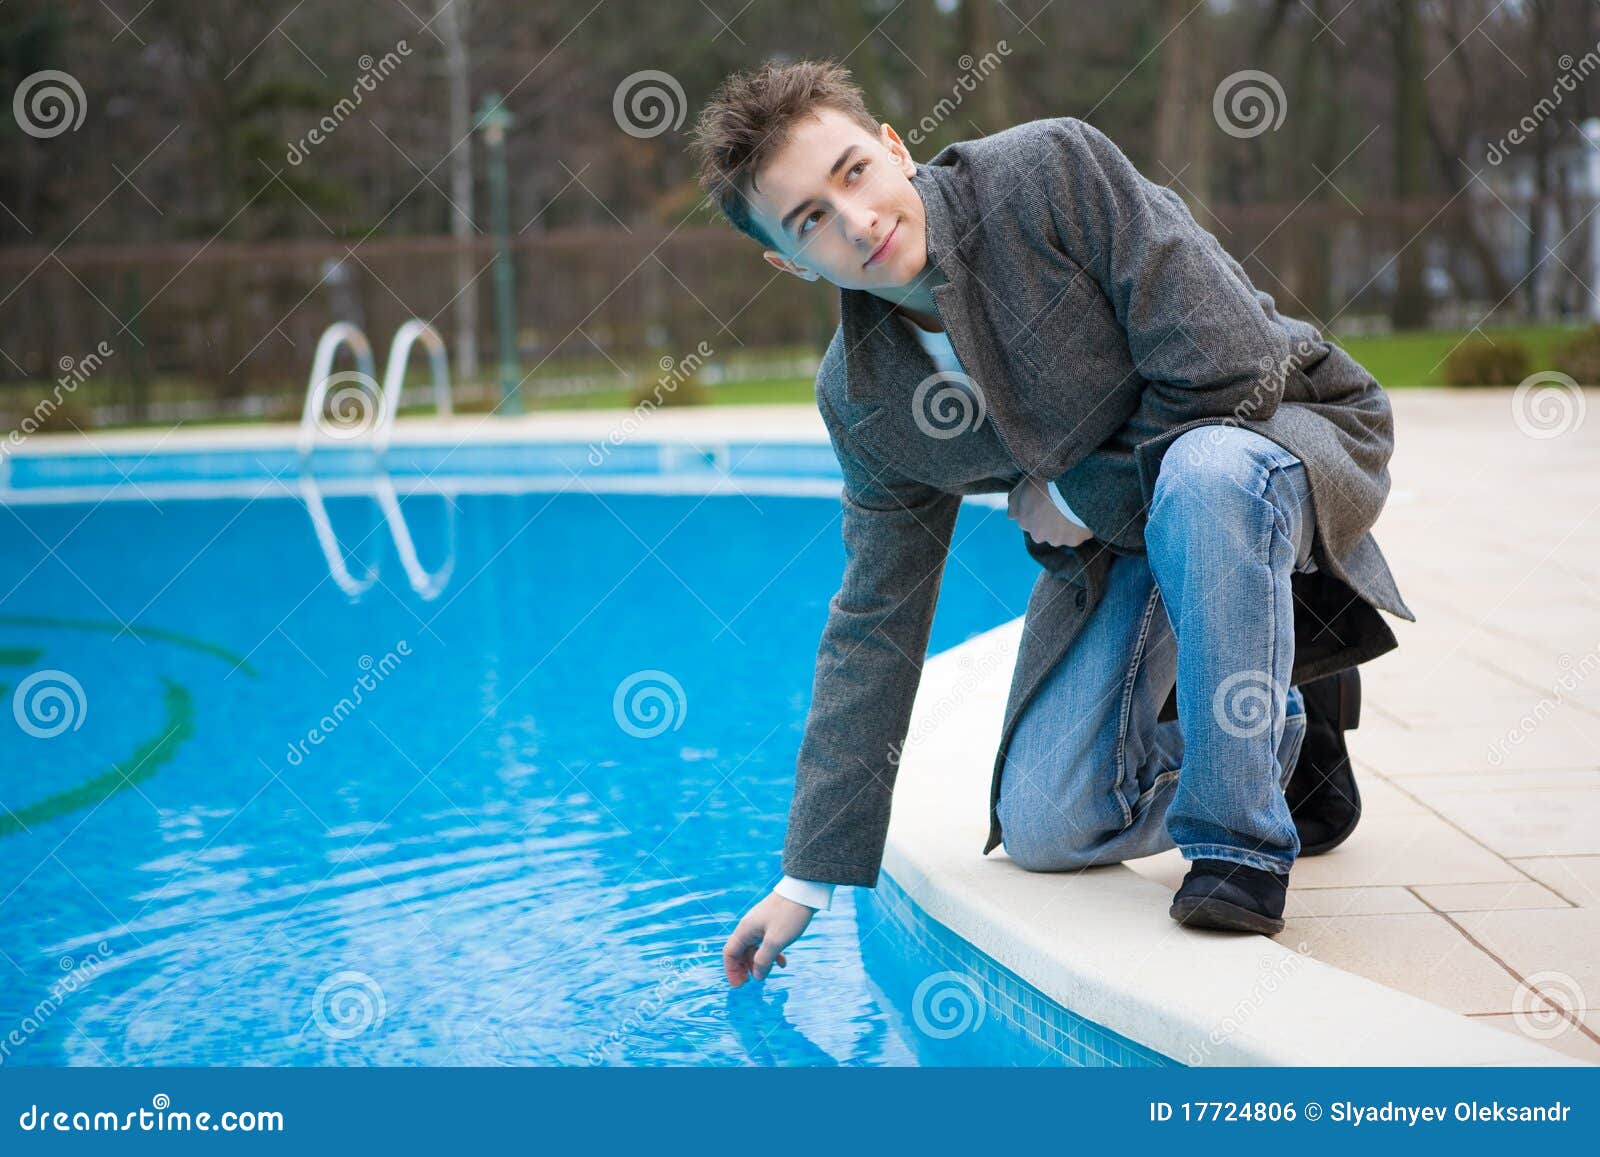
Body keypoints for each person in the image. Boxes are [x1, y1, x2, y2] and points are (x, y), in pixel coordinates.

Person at [686, 59, 1412, 986]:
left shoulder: (1047, 173)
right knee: (1047, 820)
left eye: (853, 173)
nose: (856, 221)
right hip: (1133, 544)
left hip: (1274, 433)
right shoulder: (864, 396)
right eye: (810, 221)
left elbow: (1229, 365)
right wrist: (807, 875)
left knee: (1201, 470)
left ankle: (1239, 849)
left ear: (895, 149)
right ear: (788, 261)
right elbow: (874, 620)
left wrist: (1070, 494)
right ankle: (1284, 728)